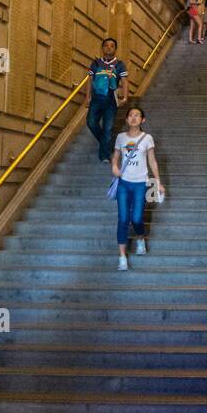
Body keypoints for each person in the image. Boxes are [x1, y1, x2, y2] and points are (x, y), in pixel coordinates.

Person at [111, 106, 163, 271]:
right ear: (126, 120)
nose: (133, 118)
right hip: (124, 183)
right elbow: (116, 156)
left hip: (141, 183)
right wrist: (114, 166)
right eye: (131, 115)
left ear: (143, 120)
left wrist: (158, 182)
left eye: (137, 115)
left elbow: (152, 161)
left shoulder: (147, 138)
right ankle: (122, 258)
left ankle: (140, 238)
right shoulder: (120, 137)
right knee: (123, 219)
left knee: (137, 218)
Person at [87, 37, 129, 162]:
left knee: (108, 127)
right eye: (106, 45)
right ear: (102, 48)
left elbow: (124, 81)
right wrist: (87, 97)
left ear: (115, 49)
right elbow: (89, 81)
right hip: (96, 99)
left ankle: (104, 155)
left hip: (111, 100)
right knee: (91, 123)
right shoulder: (95, 63)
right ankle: (106, 145)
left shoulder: (119, 64)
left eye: (112, 46)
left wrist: (125, 97)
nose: (109, 48)